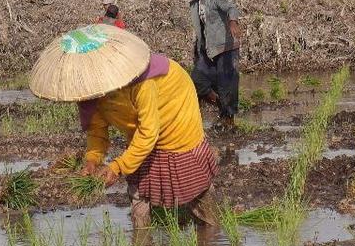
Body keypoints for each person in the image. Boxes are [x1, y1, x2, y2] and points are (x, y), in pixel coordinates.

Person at [28, 24, 217, 228]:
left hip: (174, 109)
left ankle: (211, 232)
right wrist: (92, 160)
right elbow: (97, 131)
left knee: (192, 182)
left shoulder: (142, 82)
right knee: (138, 186)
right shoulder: (90, 93)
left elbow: (147, 134)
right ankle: (141, 244)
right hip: (143, 127)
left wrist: (117, 167)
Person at [188, 0, 242, 131]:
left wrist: (233, 22)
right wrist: (198, 49)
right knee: (196, 80)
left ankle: (229, 120)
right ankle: (221, 106)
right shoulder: (196, 2)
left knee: (227, 85)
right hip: (209, 50)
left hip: (225, 47)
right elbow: (202, 29)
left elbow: (231, 7)